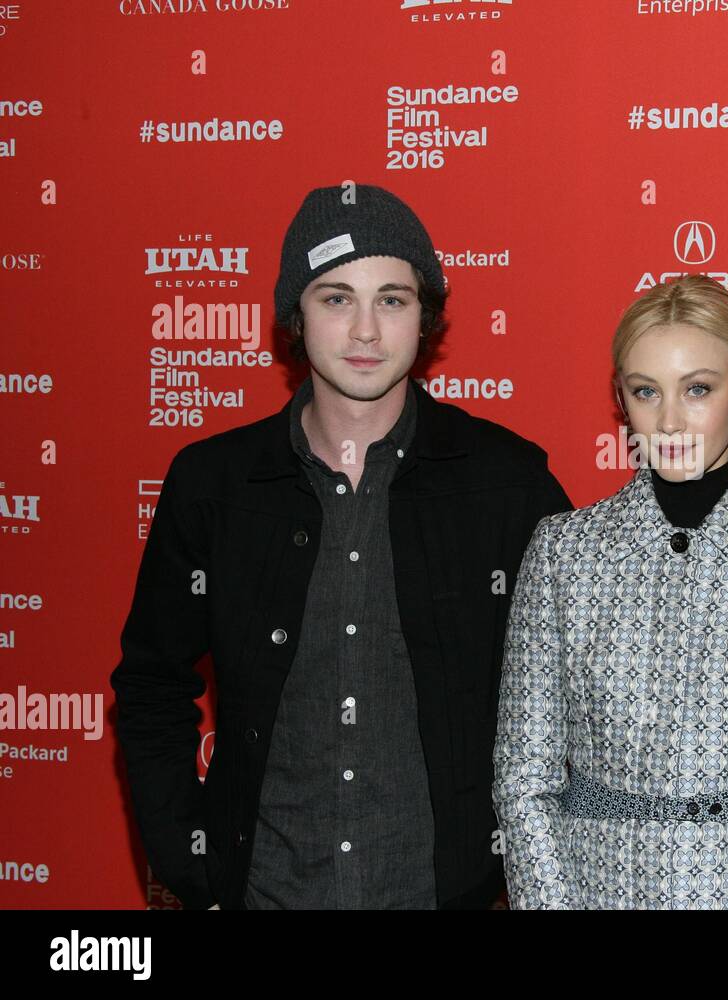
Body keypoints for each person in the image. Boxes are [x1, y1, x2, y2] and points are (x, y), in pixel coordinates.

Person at [111, 183, 571, 909]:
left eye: (392, 299)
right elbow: (150, 688)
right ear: (296, 314)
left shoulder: (507, 483)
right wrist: (188, 858)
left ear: (426, 318)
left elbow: (573, 698)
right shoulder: (212, 485)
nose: (365, 331)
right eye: (335, 298)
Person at [492, 275, 728, 908]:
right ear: (622, 399)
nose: (669, 420)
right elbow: (525, 781)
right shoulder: (563, 553)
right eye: (646, 392)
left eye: (698, 389)